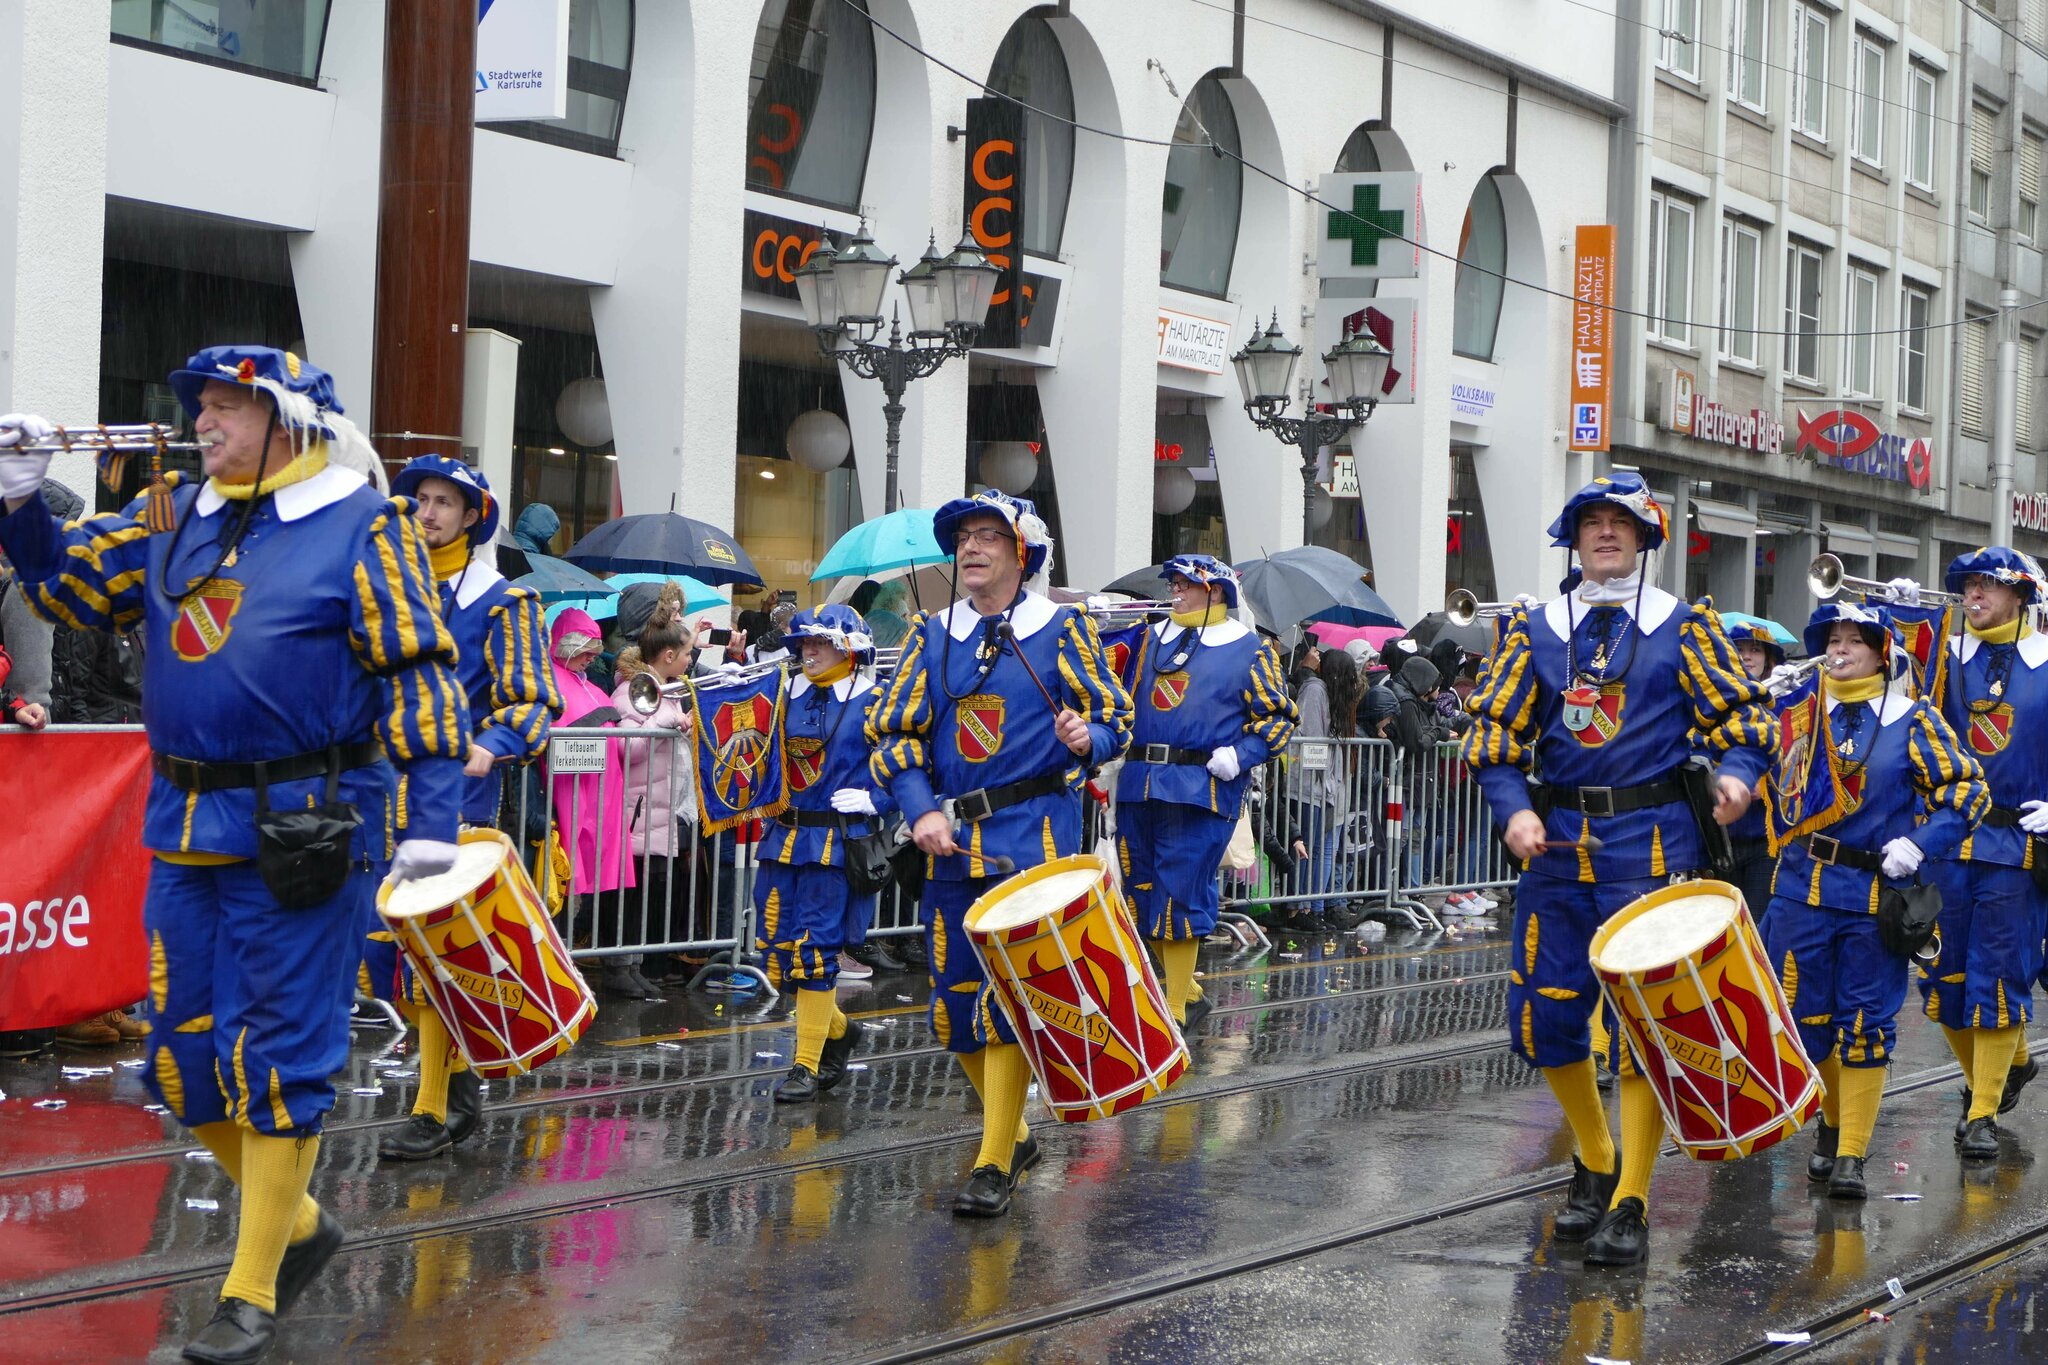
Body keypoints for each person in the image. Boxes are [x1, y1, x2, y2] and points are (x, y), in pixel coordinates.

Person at [0, 346, 470, 1364]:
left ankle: (251, 1291)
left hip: (309, 826)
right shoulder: (174, 510)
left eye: (226, 405)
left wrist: (433, 821)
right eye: (199, 403)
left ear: (285, 417)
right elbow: (70, 593)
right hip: (186, 827)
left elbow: (421, 667)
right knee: (180, 1057)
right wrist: (22, 506)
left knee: (278, 1055)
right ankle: (296, 1220)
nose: (204, 419)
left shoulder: (360, 522)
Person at [1461, 472, 1776, 1267]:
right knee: (1547, 1013)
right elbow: (1494, 734)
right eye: (1592, 522)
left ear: (1645, 538)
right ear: (1575, 537)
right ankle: (1595, 1159)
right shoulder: (1535, 627)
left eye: (1622, 523)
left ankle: (1633, 1193)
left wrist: (1738, 773)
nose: (1606, 532)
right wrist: (1513, 808)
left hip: (1655, 837)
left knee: (1649, 1022)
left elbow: (1744, 716)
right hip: (1560, 838)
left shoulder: (1684, 625)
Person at [868, 490, 1132, 1218]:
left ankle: (995, 1151)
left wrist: (1091, 738)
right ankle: (1011, 1133)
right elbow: (895, 735)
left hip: (1030, 842)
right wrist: (917, 807)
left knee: (1008, 1001)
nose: (972, 548)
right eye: (964, 537)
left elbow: (1117, 715)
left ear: (1023, 554)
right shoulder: (931, 635)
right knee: (954, 1008)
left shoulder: (1063, 629)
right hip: (950, 845)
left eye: (990, 536)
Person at [371, 455, 561, 1163]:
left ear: (471, 514)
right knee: (397, 951)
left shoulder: (499, 598)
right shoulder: (386, 587)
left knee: (438, 951)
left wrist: (491, 741)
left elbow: (534, 696)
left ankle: (435, 1103)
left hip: (453, 795)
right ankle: (451, 1092)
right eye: (420, 498)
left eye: (445, 501)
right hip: (381, 792)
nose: (428, 511)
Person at [1763, 603, 1986, 1198]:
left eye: (1853, 641)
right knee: (1800, 1022)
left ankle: (1853, 1155)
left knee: (1863, 1024)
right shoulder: (1794, 715)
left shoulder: (1914, 719)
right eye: (1831, 639)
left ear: (1880, 654)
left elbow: (1968, 790)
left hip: (1872, 897)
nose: (1839, 650)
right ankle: (1832, 1125)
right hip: (1799, 891)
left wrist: (1920, 843)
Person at [1115, 554, 1296, 1034]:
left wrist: (1241, 755)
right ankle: (1187, 993)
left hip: (1200, 787)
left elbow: (1278, 719)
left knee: (1180, 892)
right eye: (1172, 582)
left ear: (1216, 591)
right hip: (1140, 782)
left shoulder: (1249, 649)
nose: (1175, 590)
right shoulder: (1147, 638)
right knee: (1138, 895)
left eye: (1185, 583)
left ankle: (1171, 1009)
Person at [1908, 548, 2048, 1158]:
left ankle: (1982, 1110)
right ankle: (2005, 1066)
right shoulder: (1939, 656)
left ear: (2021, 596)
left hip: (2016, 841)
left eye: (1989, 585)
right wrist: (1899, 613)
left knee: (2000, 974)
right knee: (1943, 975)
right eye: (1967, 584)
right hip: (1946, 836)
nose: (1974, 594)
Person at [755, 604, 896, 1100]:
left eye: (819, 643)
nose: (807, 651)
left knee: (814, 953)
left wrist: (877, 798)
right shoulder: (779, 692)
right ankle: (839, 1030)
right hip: (782, 836)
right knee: (776, 953)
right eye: (801, 644)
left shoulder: (876, 699)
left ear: (848, 648)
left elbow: (914, 763)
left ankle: (805, 1064)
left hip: (836, 843)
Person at [607, 584, 701, 994]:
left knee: (648, 894)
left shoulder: (667, 691)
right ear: (667, 657)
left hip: (657, 813)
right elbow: (627, 751)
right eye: (686, 654)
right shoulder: (635, 691)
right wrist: (662, 727)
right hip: (638, 813)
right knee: (630, 897)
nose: (690, 660)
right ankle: (617, 968)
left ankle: (634, 966)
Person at [549, 607, 638, 979]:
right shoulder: (549, 682)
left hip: (604, 793)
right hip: (571, 793)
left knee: (602, 871)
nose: (591, 656)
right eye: (585, 648)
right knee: (567, 873)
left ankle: (606, 960)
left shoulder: (592, 686)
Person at [1721, 617, 1788, 926]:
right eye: (1739, 648)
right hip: (1717, 839)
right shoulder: (1709, 703)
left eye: (1756, 649)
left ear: (1769, 658)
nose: (1748, 656)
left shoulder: (1786, 703)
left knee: (1757, 930)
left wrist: (1767, 784)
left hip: (1765, 840)